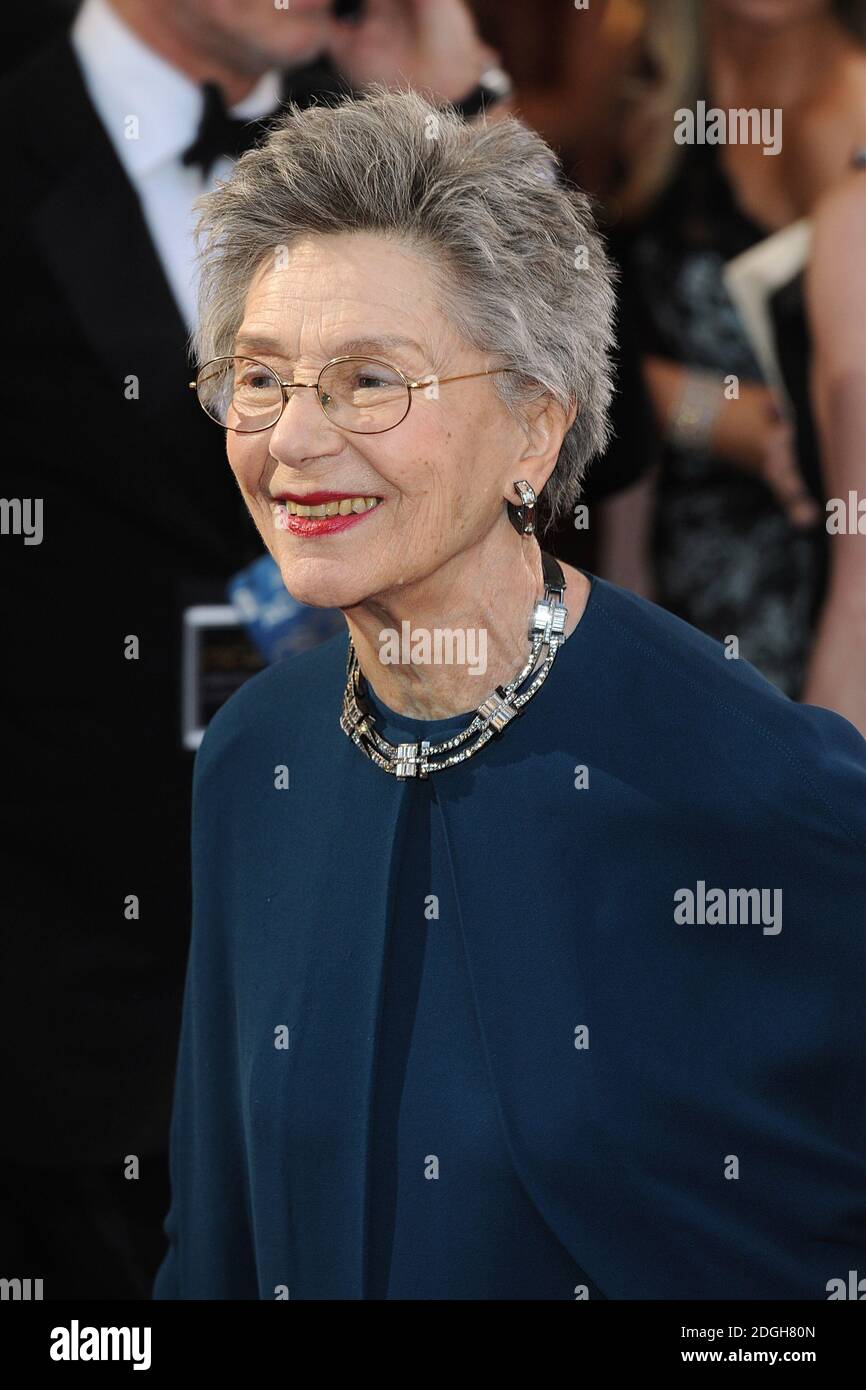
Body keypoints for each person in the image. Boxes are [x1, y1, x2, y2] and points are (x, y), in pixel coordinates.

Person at [153, 88, 866, 1300]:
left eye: (369, 379)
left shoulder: (762, 789)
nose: (292, 441)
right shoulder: (254, 758)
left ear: (534, 430)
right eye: (259, 378)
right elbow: (213, 1248)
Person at [0, 0, 507, 1299]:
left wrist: (452, 104)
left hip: (364, 924)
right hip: (68, 976)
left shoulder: (375, 148)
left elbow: (585, 443)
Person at [601, 0, 866, 729]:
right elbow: (606, 366)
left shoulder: (851, 125)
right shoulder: (653, 104)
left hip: (820, 617)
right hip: (683, 595)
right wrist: (624, 613)